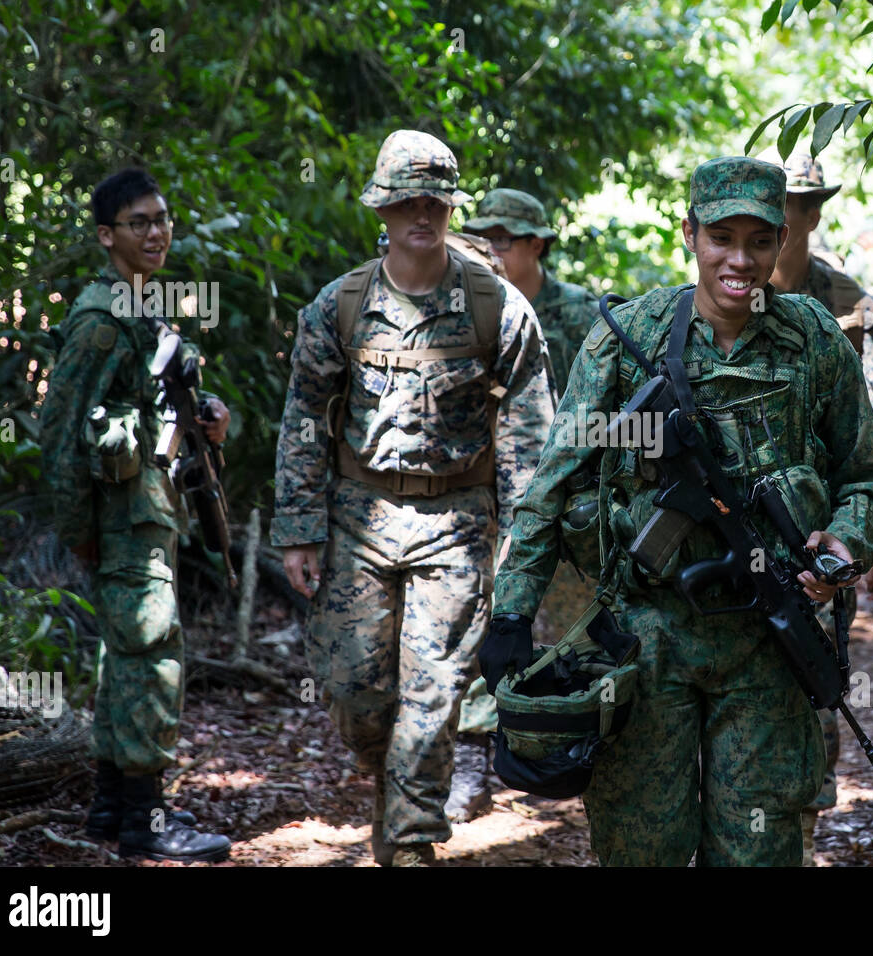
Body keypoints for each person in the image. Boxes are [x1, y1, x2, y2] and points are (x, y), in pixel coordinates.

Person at [483, 155, 873, 865]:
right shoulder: (630, 338)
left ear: (781, 242)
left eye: (760, 241)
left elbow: (867, 478)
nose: (740, 259)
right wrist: (513, 612)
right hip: (647, 637)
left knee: (757, 851)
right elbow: (550, 483)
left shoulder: (813, 340)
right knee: (643, 849)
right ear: (690, 234)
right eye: (722, 238)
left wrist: (842, 549)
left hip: (766, 643)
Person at [270, 130, 555, 866]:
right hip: (357, 522)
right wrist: (298, 530)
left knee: (430, 706)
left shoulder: (498, 308)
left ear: (451, 208)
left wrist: (524, 543)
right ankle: (390, 777)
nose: (419, 213)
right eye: (405, 200)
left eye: (433, 200)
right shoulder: (340, 306)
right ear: (383, 208)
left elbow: (529, 433)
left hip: (458, 525)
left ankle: (409, 846)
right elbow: (304, 417)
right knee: (357, 697)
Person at [40, 167, 233, 862]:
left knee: (126, 659)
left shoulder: (145, 313)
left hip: (147, 516)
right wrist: (79, 534)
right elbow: (60, 434)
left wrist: (208, 421)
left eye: (162, 219)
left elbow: (158, 418)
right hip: (121, 525)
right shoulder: (100, 322)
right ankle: (147, 822)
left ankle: (110, 809)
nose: (156, 233)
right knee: (151, 659)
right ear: (106, 236)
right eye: (138, 223)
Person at [766, 153, 873, 862]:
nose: (787, 218)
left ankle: (797, 837)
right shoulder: (718, 287)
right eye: (776, 203)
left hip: (820, 530)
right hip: (725, 531)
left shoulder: (850, 301)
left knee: (811, 678)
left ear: (816, 211)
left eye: (799, 204)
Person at [447, 188, 602, 821]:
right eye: (481, 238)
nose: (490, 249)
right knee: (482, 624)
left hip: (569, 505)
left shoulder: (581, 313)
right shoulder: (469, 313)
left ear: (537, 244)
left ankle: (579, 746)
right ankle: (472, 762)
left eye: (503, 239)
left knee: (579, 631)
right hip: (486, 497)